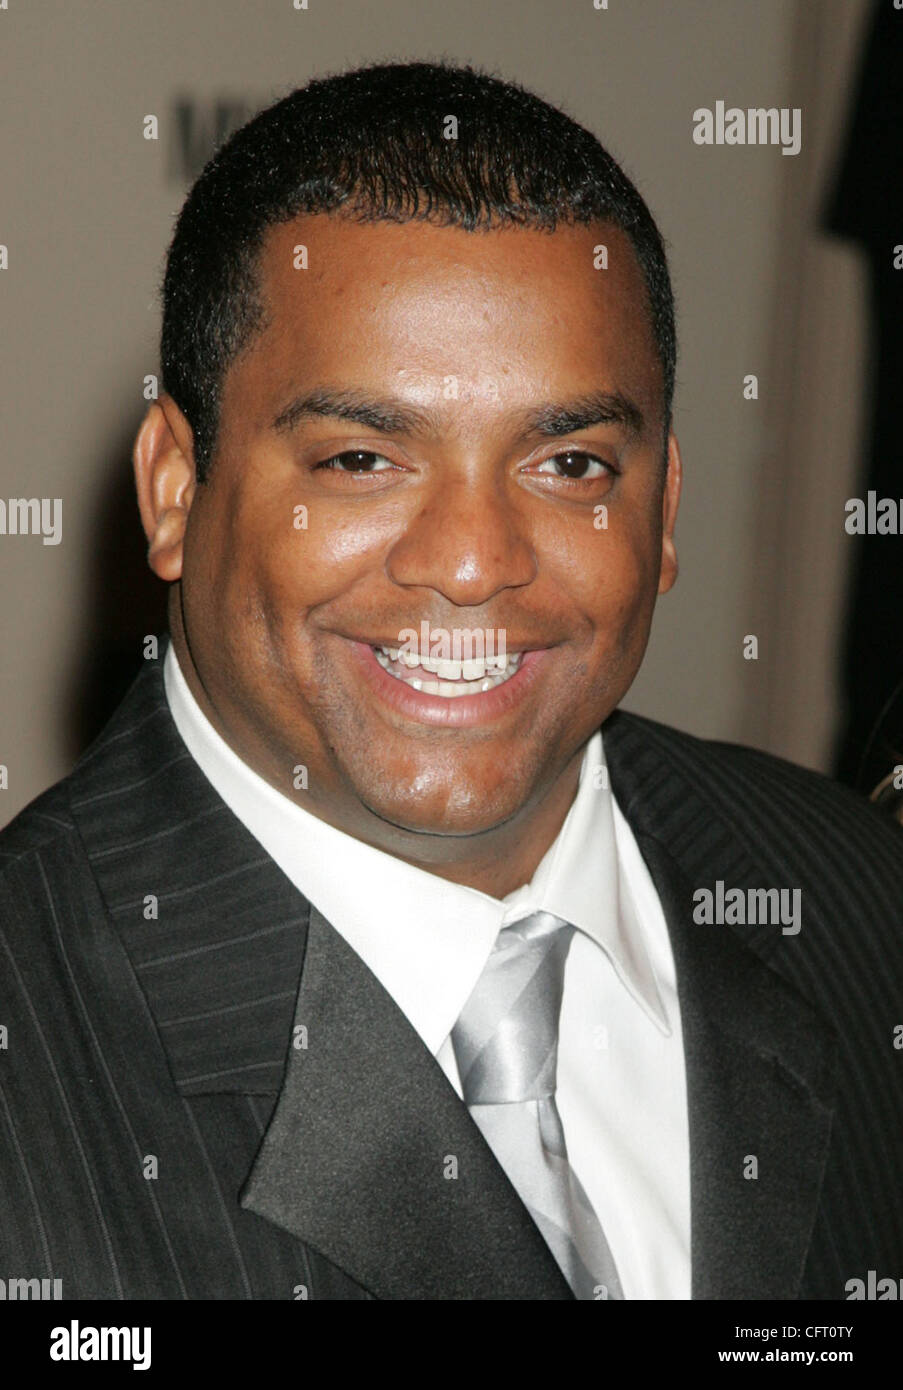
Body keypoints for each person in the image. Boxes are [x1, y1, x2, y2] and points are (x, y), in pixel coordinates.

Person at [1, 60, 901, 1302]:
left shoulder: (859, 900)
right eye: (364, 457)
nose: (474, 563)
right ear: (173, 486)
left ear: (666, 509)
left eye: (570, 461)